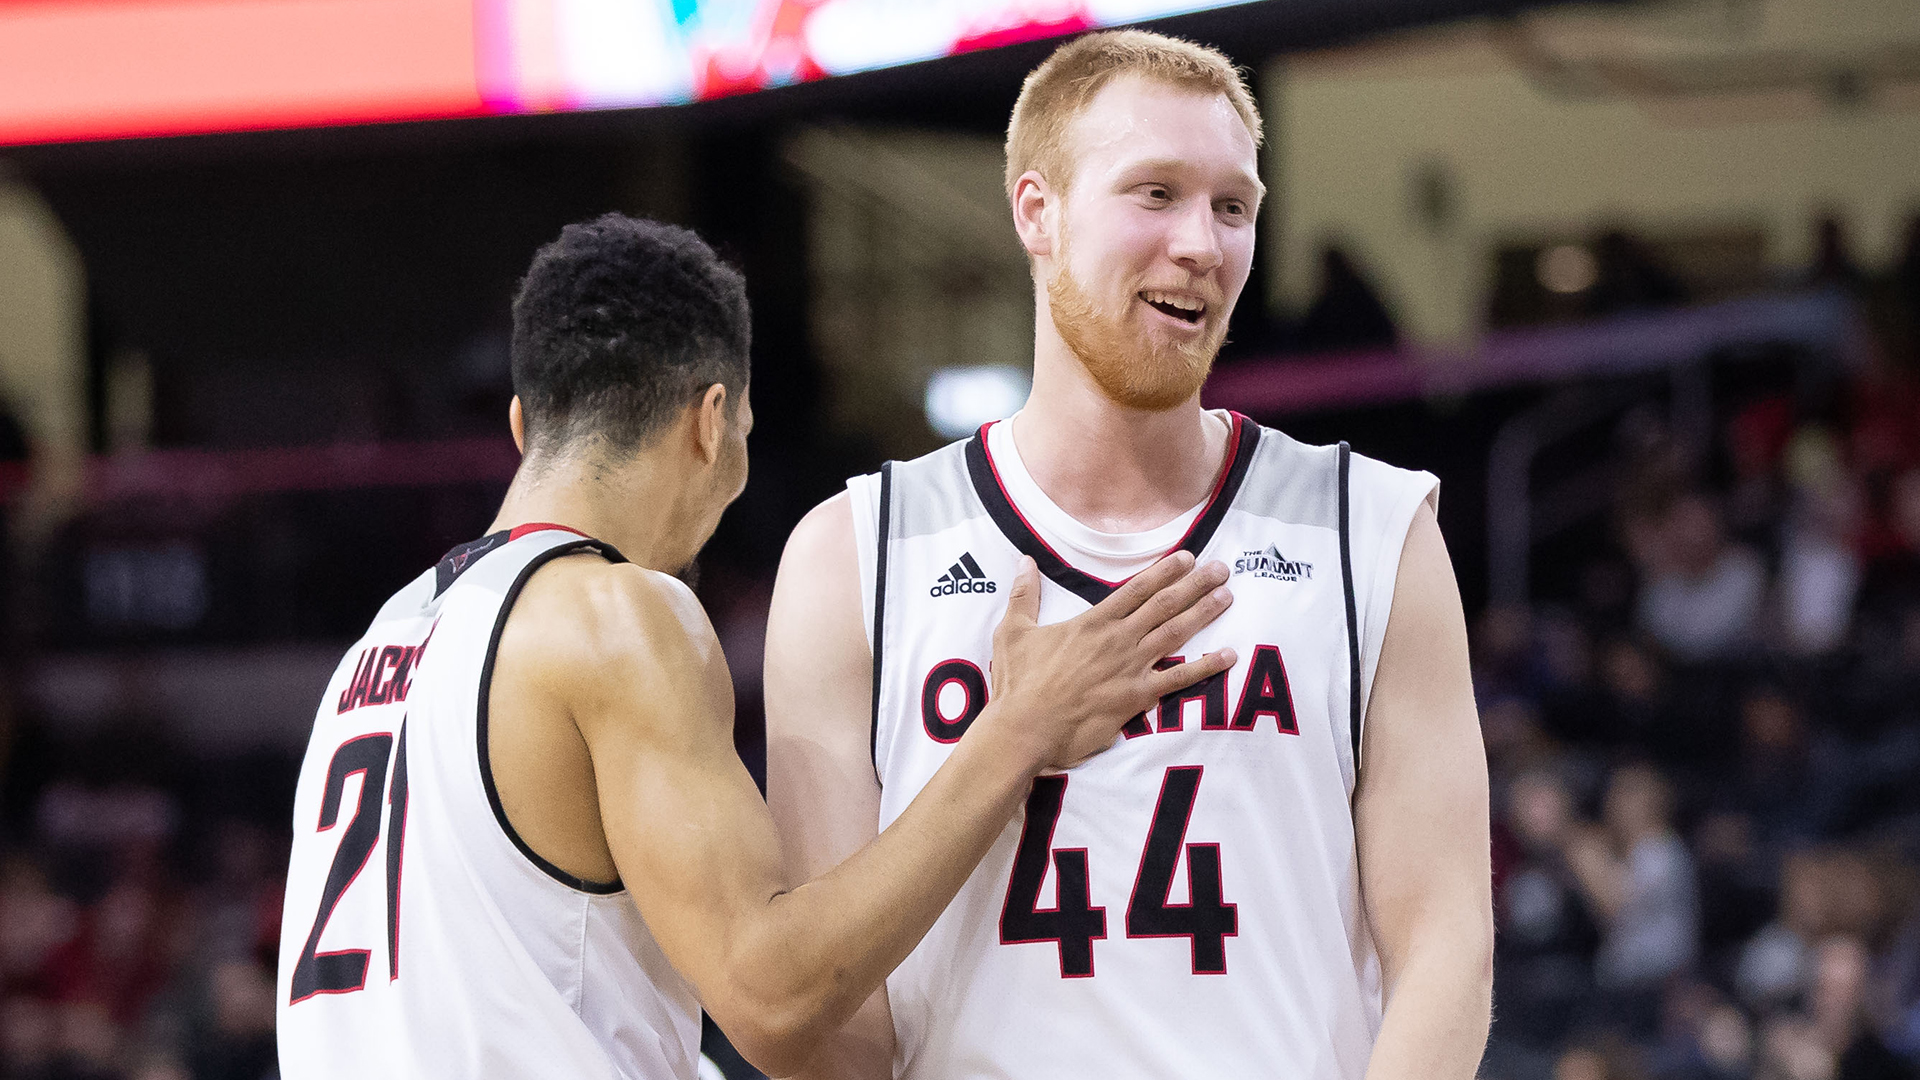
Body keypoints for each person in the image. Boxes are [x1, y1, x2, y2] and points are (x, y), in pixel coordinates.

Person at [273, 215, 1239, 1079]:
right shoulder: (619, 618)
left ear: (527, 427)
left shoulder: (378, 646)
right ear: (712, 426)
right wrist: (1017, 730)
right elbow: (772, 995)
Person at [764, 29, 1493, 1080]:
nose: (1202, 242)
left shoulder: (1372, 529)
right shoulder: (854, 554)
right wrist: (1010, 740)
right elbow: (832, 1019)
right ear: (1037, 212)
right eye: (1155, 193)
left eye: (1232, 206)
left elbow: (1445, 951)